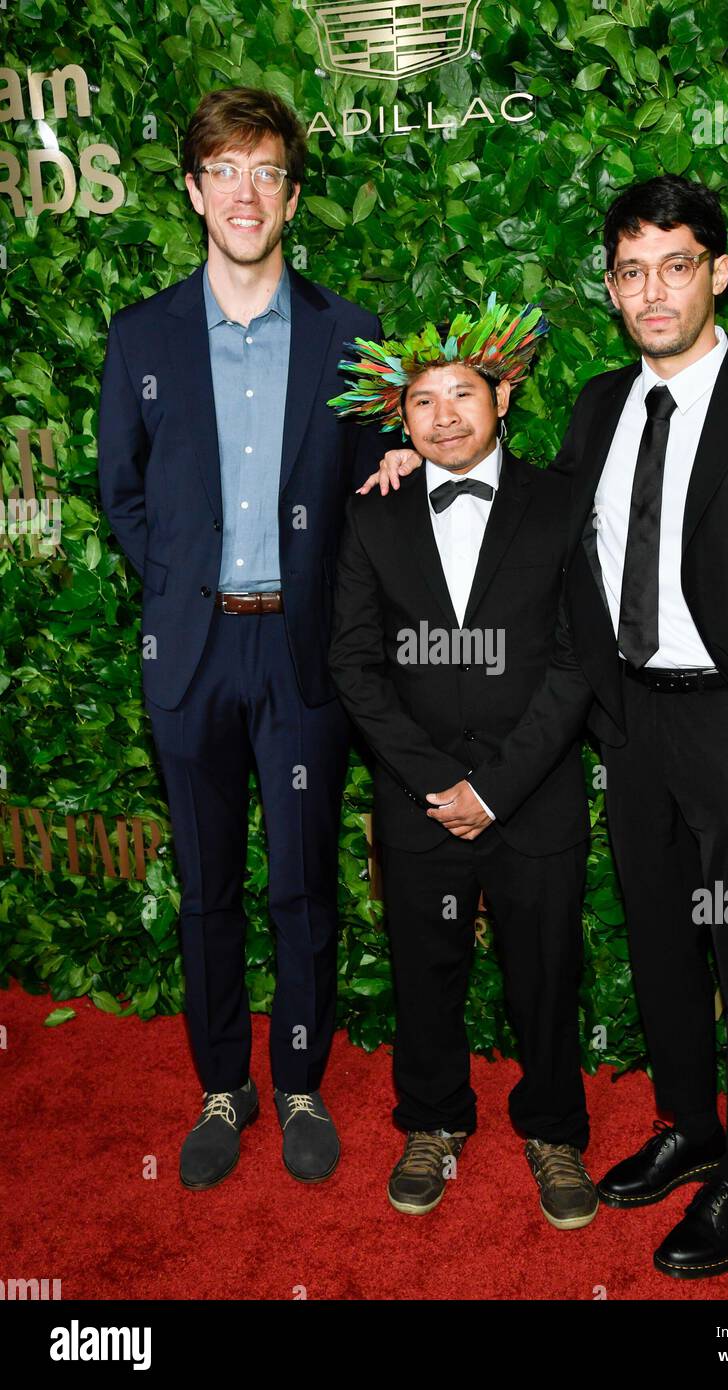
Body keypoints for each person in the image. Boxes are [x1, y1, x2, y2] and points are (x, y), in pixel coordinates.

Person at [361, 175, 728, 1277]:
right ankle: (691, 1122)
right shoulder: (592, 406)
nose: (654, 290)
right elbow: (521, 513)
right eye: (631, 271)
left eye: (677, 264)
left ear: (717, 272)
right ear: (613, 288)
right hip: (627, 722)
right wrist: (407, 454)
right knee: (664, 942)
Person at [97, 87, 400, 1191]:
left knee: (303, 885)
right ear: (193, 191)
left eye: (266, 171)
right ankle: (225, 1082)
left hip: (304, 654)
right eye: (223, 170)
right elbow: (122, 496)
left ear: (291, 193)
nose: (244, 191)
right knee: (209, 883)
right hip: (192, 656)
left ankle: (302, 1080)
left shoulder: (348, 331)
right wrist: (185, 588)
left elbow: (378, 479)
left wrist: (400, 465)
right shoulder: (143, 335)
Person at [327, 299, 599, 1228]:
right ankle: (433, 1121)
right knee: (423, 970)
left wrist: (496, 786)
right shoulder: (372, 514)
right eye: (422, 402)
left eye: (462, 394)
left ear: (504, 397)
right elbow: (354, 664)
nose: (443, 415)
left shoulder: (563, 503)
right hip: (418, 798)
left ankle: (555, 1129)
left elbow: (578, 659)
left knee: (546, 974)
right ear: (398, 421)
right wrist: (433, 782)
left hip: (535, 793)